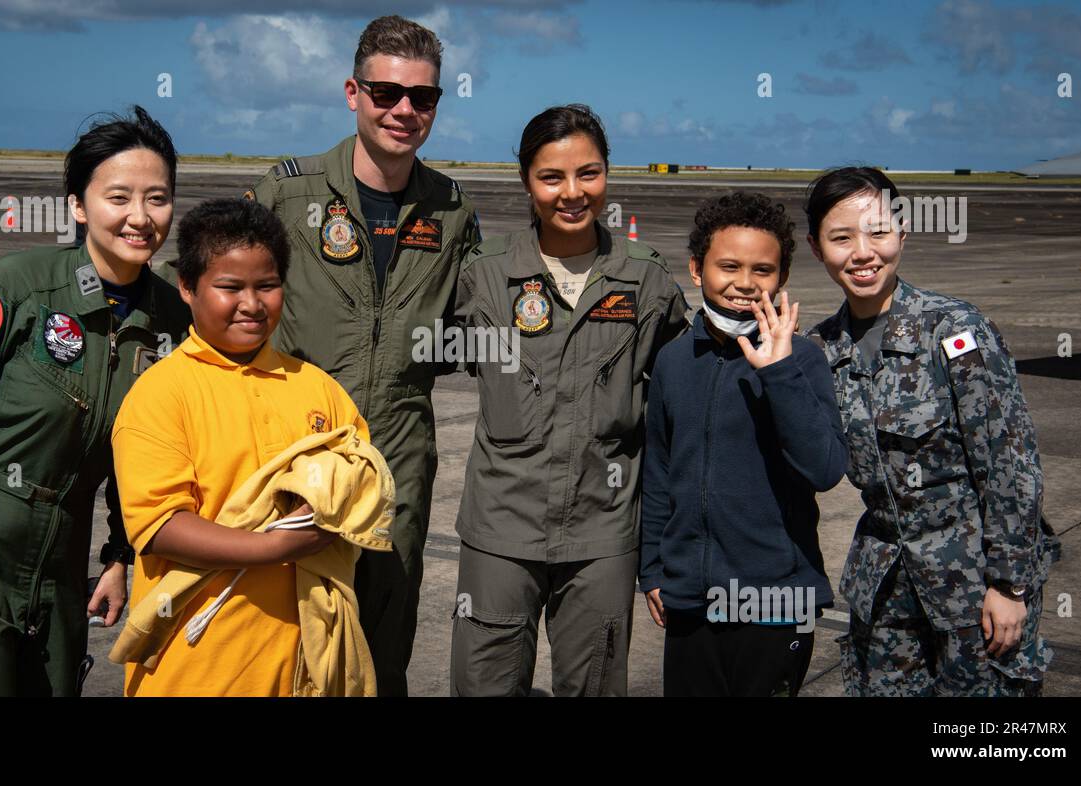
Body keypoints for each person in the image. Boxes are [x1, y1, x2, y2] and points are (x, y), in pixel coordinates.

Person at [195, 15, 480, 696]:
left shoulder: (451, 211)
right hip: (289, 460)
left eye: (423, 97)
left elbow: (474, 327)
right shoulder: (289, 195)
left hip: (397, 469)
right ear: (352, 93)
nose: (404, 110)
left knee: (381, 649)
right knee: (277, 643)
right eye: (385, 93)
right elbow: (217, 317)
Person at [0, 105, 190, 696]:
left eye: (158, 198)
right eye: (118, 197)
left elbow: (148, 452)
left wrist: (120, 555)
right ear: (77, 205)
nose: (140, 218)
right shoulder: (15, 289)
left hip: (62, 567)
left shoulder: (172, 316)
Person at [449, 104, 689, 696]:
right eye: (552, 177)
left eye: (590, 173)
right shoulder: (483, 275)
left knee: (596, 687)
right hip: (501, 527)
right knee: (484, 684)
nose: (573, 192)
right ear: (527, 181)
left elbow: (687, 392)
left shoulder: (647, 280)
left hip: (602, 532)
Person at [803, 166, 1058, 696]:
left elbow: (1010, 463)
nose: (863, 252)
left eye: (877, 231)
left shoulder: (955, 330)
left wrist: (1009, 584)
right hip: (885, 590)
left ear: (902, 233)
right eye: (841, 237)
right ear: (816, 247)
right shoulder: (820, 350)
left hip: (973, 590)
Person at [111, 198, 372, 696]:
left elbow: (362, 482)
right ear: (187, 287)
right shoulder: (161, 393)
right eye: (229, 287)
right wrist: (273, 546)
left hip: (301, 662)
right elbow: (159, 525)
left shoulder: (318, 388)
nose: (251, 304)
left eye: (267, 286)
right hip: (196, 663)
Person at [639, 192, 846, 697]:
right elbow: (660, 472)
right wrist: (653, 569)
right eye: (728, 265)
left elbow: (824, 467)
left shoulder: (803, 359)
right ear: (695, 269)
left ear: (782, 279)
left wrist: (779, 374)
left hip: (775, 600)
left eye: (763, 269)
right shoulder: (673, 361)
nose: (745, 283)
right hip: (691, 596)